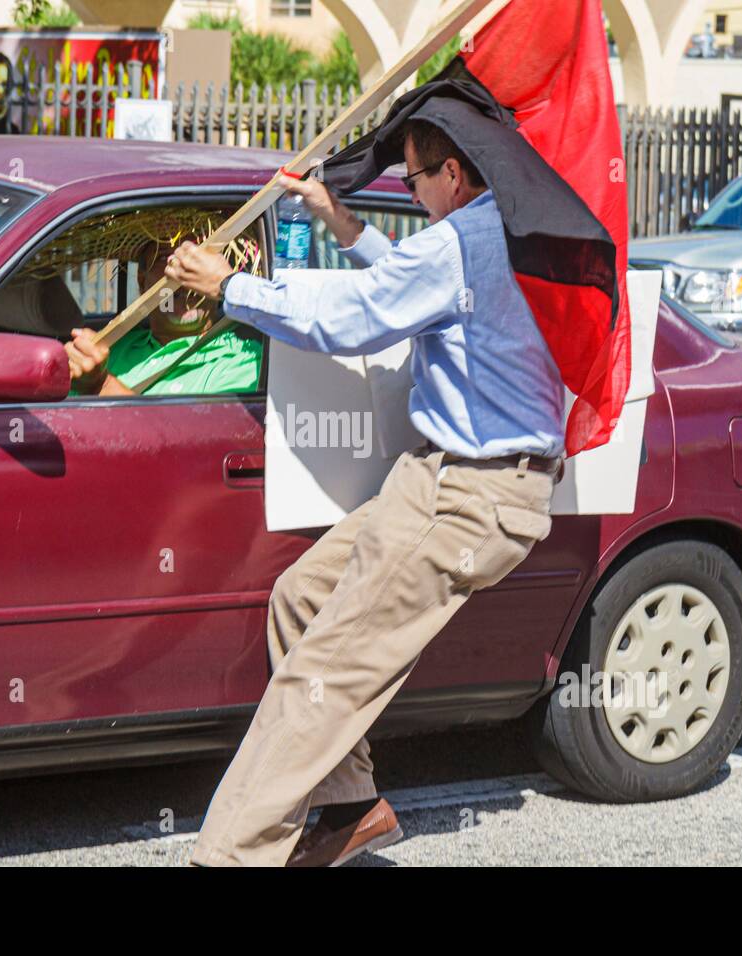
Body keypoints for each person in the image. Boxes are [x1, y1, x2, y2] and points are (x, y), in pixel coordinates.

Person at [165, 118, 567, 866]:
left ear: (453, 173)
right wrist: (343, 224)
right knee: (302, 596)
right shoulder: (498, 232)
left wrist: (229, 286)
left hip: (464, 494)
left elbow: (349, 317)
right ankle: (352, 808)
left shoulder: (460, 243)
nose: (413, 198)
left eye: (413, 182)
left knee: (321, 678)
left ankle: (229, 856)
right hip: (443, 479)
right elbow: (411, 283)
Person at [64, 239, 262, 397]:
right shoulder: (109, 348)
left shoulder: (245, 359)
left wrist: (101, 384)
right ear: (142, 282)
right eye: (166, 257)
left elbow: (192, 443)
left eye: (197, 259)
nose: (182, 271)